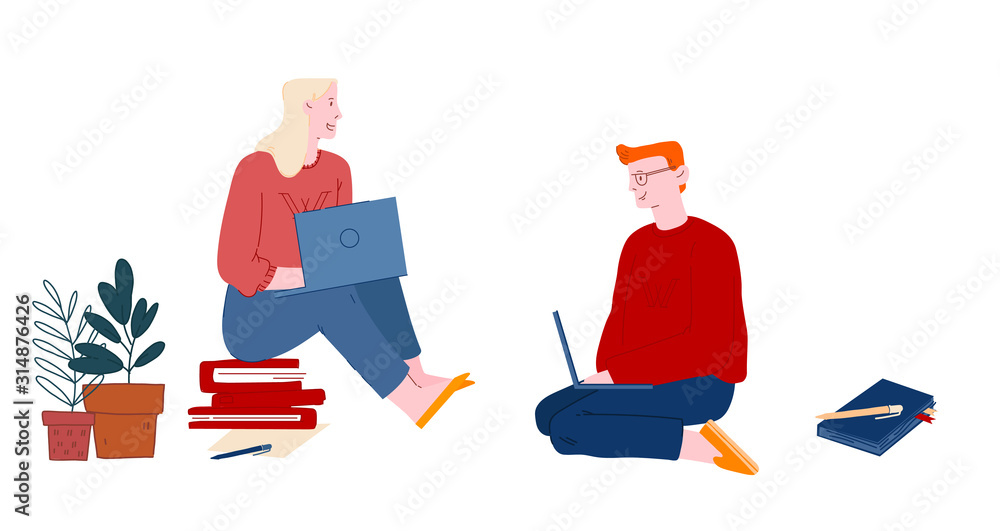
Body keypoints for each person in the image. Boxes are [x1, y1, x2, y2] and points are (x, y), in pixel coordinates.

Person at [218, 78, 472, 428]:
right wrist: (307, 277)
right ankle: (407, 396)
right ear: (307, 105)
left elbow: (342, 253)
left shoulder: (337, 170)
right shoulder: (256, 169)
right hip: (253, 318)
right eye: (331, 103)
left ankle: (417, 373)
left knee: (374, 266)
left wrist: (348, 262)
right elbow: (233, 265)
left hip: (314, 293)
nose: (339, 113)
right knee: (330, 293)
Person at [535, 141, 758, 474]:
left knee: (568, 428)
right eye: (630, 177)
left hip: (701, 383)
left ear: (679, 174)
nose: (631, 186)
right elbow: (619, 318)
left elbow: (707, 346)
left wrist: (617, 375)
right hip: (637, 376)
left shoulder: (712, 244)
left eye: (642, 177)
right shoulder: (637, 243)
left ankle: (703, 447)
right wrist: (604, 375)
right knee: (545, 415)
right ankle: (633, 419)